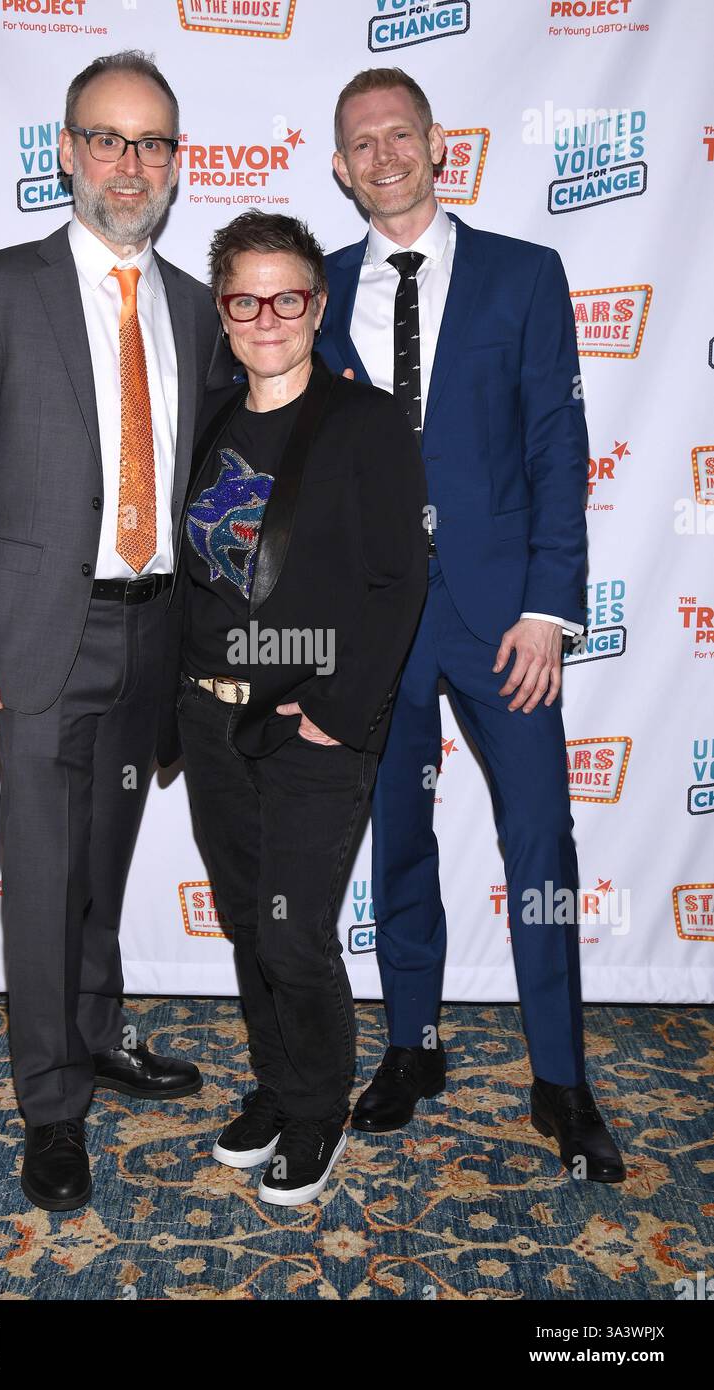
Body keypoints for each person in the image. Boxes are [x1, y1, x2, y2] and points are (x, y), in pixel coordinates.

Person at [0, 50, 231, 1213]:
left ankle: (94, 1039)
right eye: (107, 138)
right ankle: (51, 1106)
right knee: (43, 878)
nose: (129, 164)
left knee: (101, 870)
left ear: (176, 163)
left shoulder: (194, 308)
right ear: (64, 150)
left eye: (151, 144)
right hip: (38, 639)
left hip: (155, 638)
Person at [318, 67, 625, 1182]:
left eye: (402, 133)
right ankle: (412, 1043)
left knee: (539, 842)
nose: (385, 153)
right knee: (399, 839)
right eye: (363, 141)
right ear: (341, 165)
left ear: (440, 145)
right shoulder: (316, 288)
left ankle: (560, 1077)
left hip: (505, 623)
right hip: (374, 627)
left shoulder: (523, 276)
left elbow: (555, 449)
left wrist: (550, 605)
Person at [155, 210, 429, 1206]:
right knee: (243, 921)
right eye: (244, 297)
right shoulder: (209, 419)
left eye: (287, 296)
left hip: (308, 721)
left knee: (289, 931)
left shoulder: (365, 423)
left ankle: (319, 1107)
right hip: (208, 717)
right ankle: (278, 1082)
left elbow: (397, 582)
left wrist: (335, 711)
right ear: (222, 309)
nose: (265, 316)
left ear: (316, 305)